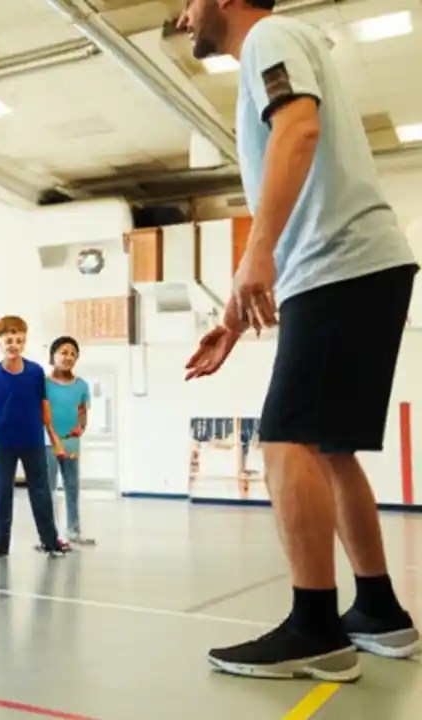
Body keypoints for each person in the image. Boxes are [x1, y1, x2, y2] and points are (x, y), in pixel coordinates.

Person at [178, 0, 419, 680]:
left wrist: (258, 252)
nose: (183, 16)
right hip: (357, 265)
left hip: (339, 264)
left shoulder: (271, 38)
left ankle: (314, 627)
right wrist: (230, 317)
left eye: (190, 3)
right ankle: (377, 611)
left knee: (286, 438)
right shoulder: (280, 44)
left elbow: (298, 129)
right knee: (332, 447)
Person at [0, 315, 70, 558]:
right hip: (4, 445)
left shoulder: (35, 372)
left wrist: (54, 438)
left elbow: (44, 409)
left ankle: (50, 540)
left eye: (19, 340)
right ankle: (0, 541)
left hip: (32, 442)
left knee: (40, 491)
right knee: (3, 493)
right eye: (9, 340)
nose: (14, 345)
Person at [44, 336, 94, 546]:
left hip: (71, 443)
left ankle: (74, 530)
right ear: (53, 356)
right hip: (46, 442)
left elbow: (82, 412)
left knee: (72, 487)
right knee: (48, 488)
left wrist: (79, 431)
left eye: (73, 354)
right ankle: (49, 534)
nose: (68, 357)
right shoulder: (43, 384)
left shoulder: (81, 385)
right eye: (64, 353)